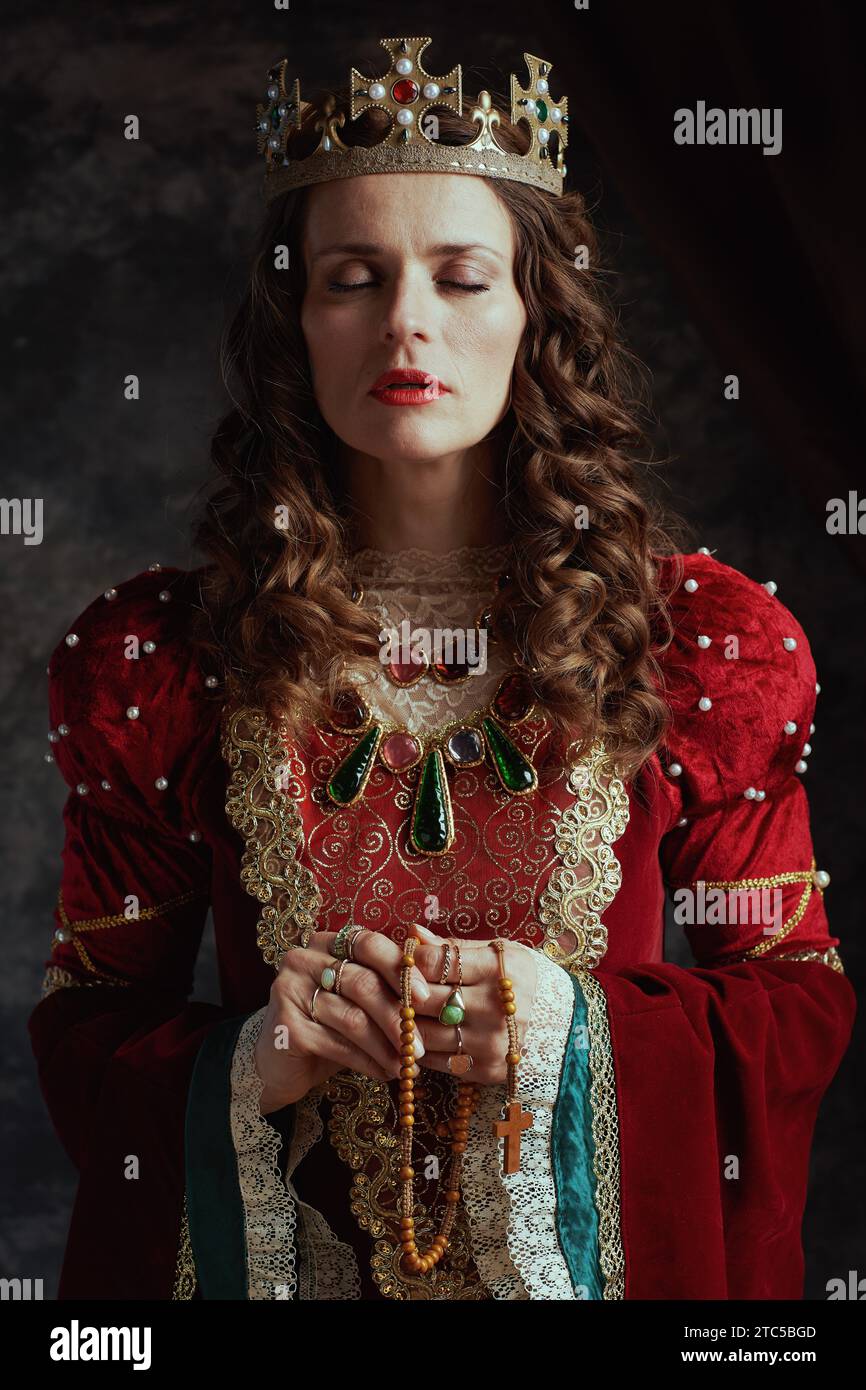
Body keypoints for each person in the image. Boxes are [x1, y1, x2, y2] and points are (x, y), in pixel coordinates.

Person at [30, 36, 854, 1301]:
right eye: (352, 278)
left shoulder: (703, 644)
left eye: (462, 278)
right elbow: (88, 1026)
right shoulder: (160, 661)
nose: (406, 321)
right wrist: (255, 1061)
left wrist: (562, 1031)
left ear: (535, 311)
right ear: (292, 321)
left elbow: (791, 1005)